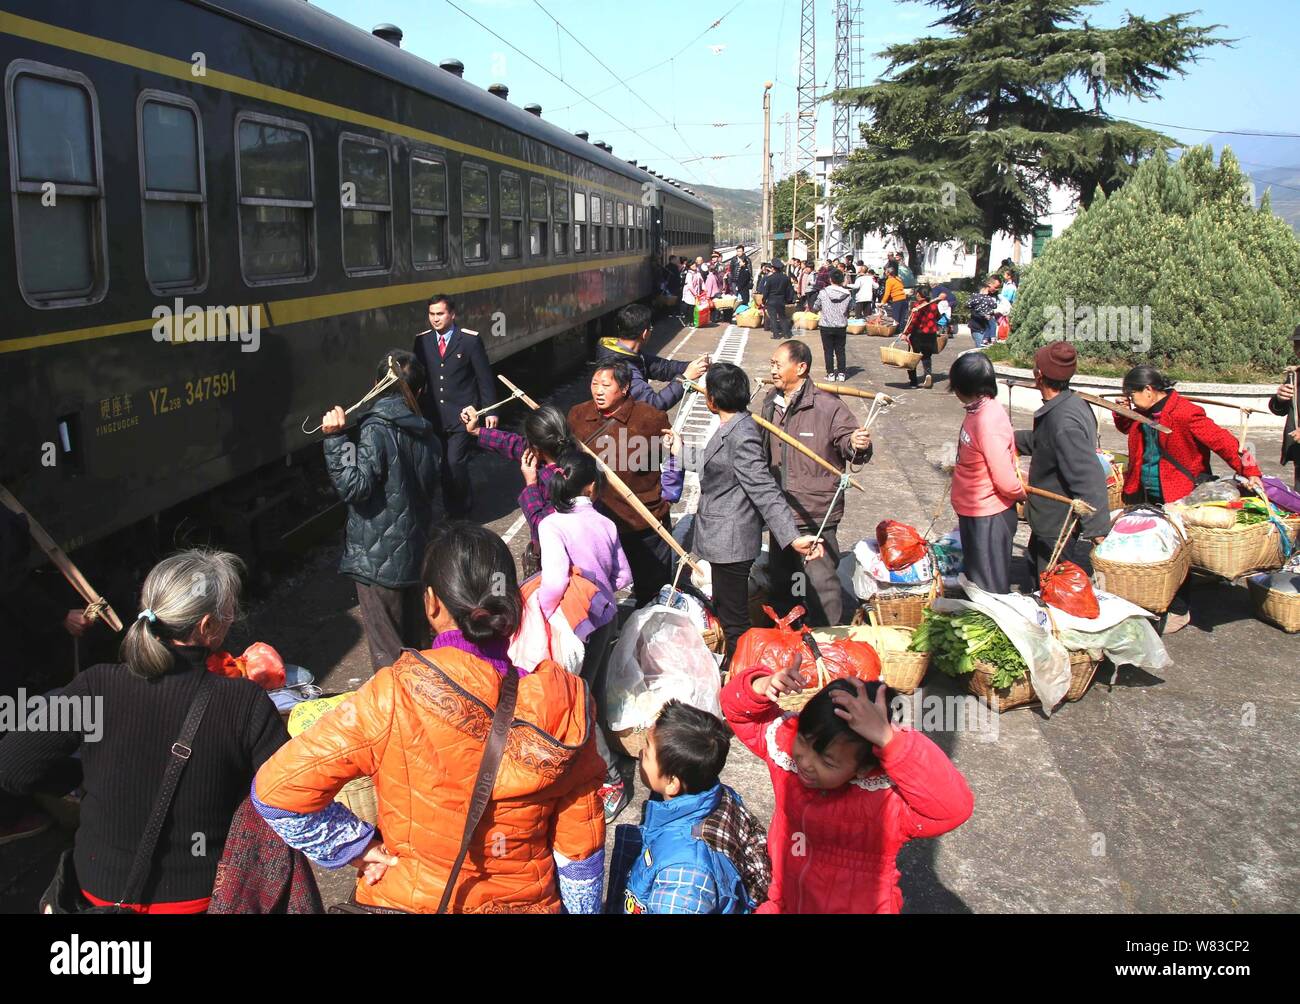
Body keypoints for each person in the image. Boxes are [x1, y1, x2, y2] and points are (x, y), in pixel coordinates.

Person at [253, 523, 607, 914]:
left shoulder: (393, 693)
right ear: (512, 604)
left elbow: (276, 794)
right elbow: (580, 856)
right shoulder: (566, 704)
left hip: (409, 900)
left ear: (432, 603)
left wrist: (355, 846)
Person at [0, 550, 288, 913]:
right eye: (227, 615)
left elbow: (10, 768)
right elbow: (291, 794)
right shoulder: (243, 701)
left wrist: (84, 779)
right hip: (200, 898)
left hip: (98, 894)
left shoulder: (94, 685)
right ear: (207, 626)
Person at [721, 664, 973, 913]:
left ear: (863, 767)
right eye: (803, 740)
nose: (806, 762)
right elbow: (738, 712)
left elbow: (952, 808)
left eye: (828, 761)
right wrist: (761, 686)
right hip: (784, 901)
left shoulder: (888, 800)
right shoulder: (787, 759)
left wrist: (892, 742)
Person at [681, 363, 823, 662]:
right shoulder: (733, 425)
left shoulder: (742, 434)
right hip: (722, 537)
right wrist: (679, 451)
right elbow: (718, 467)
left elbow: (764, 489)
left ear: (712, 399)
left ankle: (746, 680)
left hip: (731, 541)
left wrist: (791, 536)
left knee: (735, 624)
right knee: (725, 608)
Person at [321, 351, 440, 671]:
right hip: (414, 555)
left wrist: (335, 439)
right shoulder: (427, 433)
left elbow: (354, 488)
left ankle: (396, 717)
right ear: (419, 391)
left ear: (375, 385)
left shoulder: (375, 430)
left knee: (388, 660)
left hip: (377, 561)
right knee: (415, 650)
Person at [537, 449, 634, 821]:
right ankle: (599, 769)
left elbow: (554, 581)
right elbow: (623, 576)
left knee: (575, 698)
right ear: (592, 488)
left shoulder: (552, 525)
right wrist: (600, 590)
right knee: (590, 692)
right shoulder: (606, 525)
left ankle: (607, 778)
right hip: (605, 615)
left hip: (573, 623)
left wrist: (544, 614)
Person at [608, 700, 769, 914]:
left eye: (647, 751)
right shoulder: (716, 795)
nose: (640, 753)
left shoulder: (687, 874)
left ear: (672, 782)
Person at [760, 340, 873, 627]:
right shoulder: (769, 403)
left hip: (815, 513)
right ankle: (788, 637)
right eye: (772, 364)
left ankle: (827, 641)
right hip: (781, 512)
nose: (773, 369)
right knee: (784, 582)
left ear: (801, 367)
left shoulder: (828, 407)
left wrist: (857, 444)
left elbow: (849, 444)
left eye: (778, 364)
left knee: (820, 584)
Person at [568, 361, 678, 607]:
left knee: (653, 593)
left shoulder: (650, 418)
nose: (598, 391)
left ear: (625, 388)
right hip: (597, 522)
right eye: (595, 384)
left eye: (606, 385)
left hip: (642, 519)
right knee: (591, 591)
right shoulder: (578, 414)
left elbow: (671, 459)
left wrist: (669, 492)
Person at [1013, 342, 1111, 578]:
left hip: (1057, 519)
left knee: (1053, 582)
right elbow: (1044, 442)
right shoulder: (1072, 404)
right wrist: (1007, 439)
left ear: (1039, 376)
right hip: (1048, 517)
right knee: (1034, 568)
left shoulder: (1064, 421)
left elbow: (1087, 474)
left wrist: (1098, 529)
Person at [1115, 365, 1265, 504]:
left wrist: (1251, 471)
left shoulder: (1185, 413)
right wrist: (1123, 412)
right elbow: (1126, 428)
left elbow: (1225, 442)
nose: (1131, 400)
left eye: (1131, 394)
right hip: (1143, 493)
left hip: (1179, 496)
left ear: (1148, 390)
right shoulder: (1142, 413)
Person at [462, 403, 575, 578]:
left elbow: (542, 526)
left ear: (535, 447)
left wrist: (531, 484)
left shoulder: (561, 480)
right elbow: (512, 443)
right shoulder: (559, 455)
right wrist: (477, 431)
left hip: (560, 560)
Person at [949, 351, 1027, 593]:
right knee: (977, 582)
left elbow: (1005, 479)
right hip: (975, 509)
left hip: (989, 515)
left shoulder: (989, 420)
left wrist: (1020, 492)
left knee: (989, 588)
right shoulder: (977, 410)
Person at [412, 294, 495, 519]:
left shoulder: (469, 341)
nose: (435, 319)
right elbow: (420, 379)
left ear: (452, 314)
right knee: (441, 465)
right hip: (434, 416)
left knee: (454, 462)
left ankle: (461, 510)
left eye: (440, 314)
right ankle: (452, 508)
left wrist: (489, 410)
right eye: (432, 314)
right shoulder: (422, 341)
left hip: (462, 416)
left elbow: (483, 378)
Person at [595, 304, 709, 412]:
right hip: (623, 430)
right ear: (645, 333)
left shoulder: (624, 352)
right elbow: (652, 405)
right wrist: (685, 378)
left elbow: (662, 367)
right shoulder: (621, 367)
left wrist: (694, 365)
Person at [1267, 326, 1300, 489]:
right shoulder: (1295, 376)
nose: (1299, 350)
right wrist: (1279, 398)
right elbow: (1279, 410)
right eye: (1297, 345)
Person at [812, 267, 853, 381]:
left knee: (828, 350)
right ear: (842, 280)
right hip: (841, 325)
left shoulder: (823, 292)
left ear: (830, 279)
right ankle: (841, 374)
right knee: (840, 350)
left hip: (826, 325)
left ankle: (830, 374)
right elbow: (851, 308)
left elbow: (816, 306)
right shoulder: (848, 294)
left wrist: (816, 309)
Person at [904, 285, 941, 389]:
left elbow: (912, 322)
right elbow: (938, 317)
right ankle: (928, 374)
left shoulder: (916, 306)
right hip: (930, 335)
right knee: (926, 357)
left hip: (917, 335)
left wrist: (905, 333)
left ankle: (913, 382)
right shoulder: (934, 306)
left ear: (919, 294)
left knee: (912, 358)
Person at [762, 259, 795, 341]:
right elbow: (790, 290)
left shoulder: (769, 279)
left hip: (771, 300)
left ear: (773, 268)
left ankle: (776, 335)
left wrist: (763, 300)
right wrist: (788, 300)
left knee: (773, 318)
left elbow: (766, 291)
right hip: (781, 300)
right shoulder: (786, 278)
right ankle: (787, 334)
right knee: (782, 317)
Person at [967, 278, 1000, 349]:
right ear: (989, 285)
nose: (996, 289)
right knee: (981, 350)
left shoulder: (993, 296)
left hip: (987, 328)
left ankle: (989, 339)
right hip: (979, 329)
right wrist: (984, 315)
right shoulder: (977, 296)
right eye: (995, 287)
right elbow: (974, 311)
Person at [882, 265, 907, 333]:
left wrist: (882, 302)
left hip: (897, 299)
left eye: (885, 271)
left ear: (888, 273)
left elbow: (887, 293)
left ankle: (895, 330)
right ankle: (901, 330)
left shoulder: (889, 281)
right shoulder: (898, 278)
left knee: (896, 316)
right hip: (904, 298)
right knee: (902, 316)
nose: (885, 272)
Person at [681, 261, 701, 326]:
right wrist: (695, 294)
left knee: (691, 307)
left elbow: (701, 281)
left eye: (694, 264)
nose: (694, 265)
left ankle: (690, 321)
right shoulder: (689, 274)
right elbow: (690, 285)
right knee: (690, 307)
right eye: (692, 265)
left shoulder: (697, 272)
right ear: (689, 267)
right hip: (689, 292)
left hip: (694, 292)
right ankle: (689, 321)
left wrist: (703, 288)